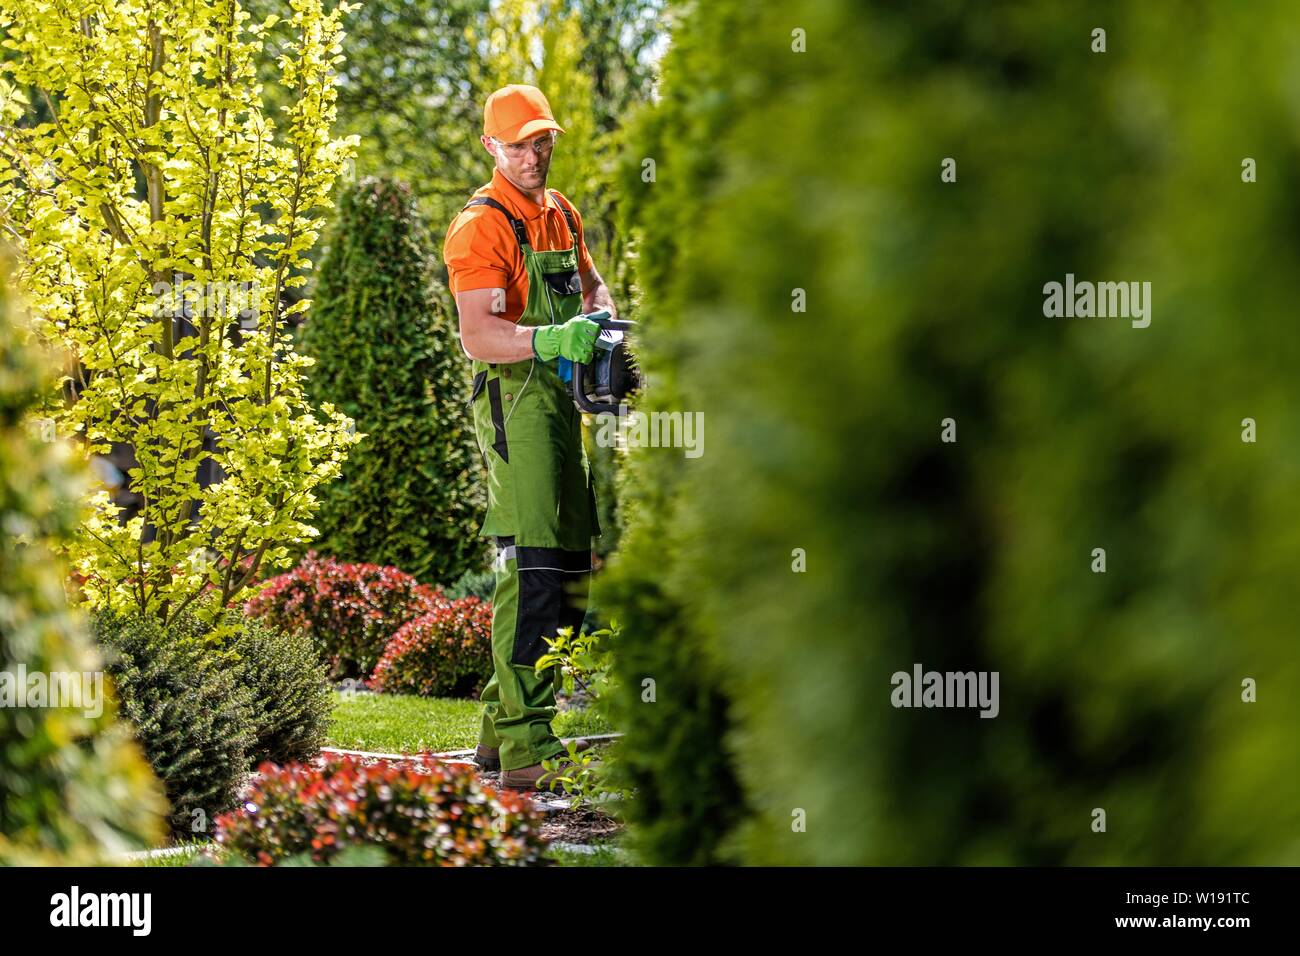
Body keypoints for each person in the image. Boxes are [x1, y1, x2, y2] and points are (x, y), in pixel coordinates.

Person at [442, 84, 616, 792]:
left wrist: (598, 328)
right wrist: (551, 337)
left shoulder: (563, 213)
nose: (533, 155)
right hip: (516, 407)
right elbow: (478, 336)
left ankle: (496, 735)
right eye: (518, 145)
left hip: (562, 401)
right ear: (492, 147)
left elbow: (595, 287)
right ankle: (525, 751)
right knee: (539, 567)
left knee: (571, 566)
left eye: (541, 141)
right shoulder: (477, 228)